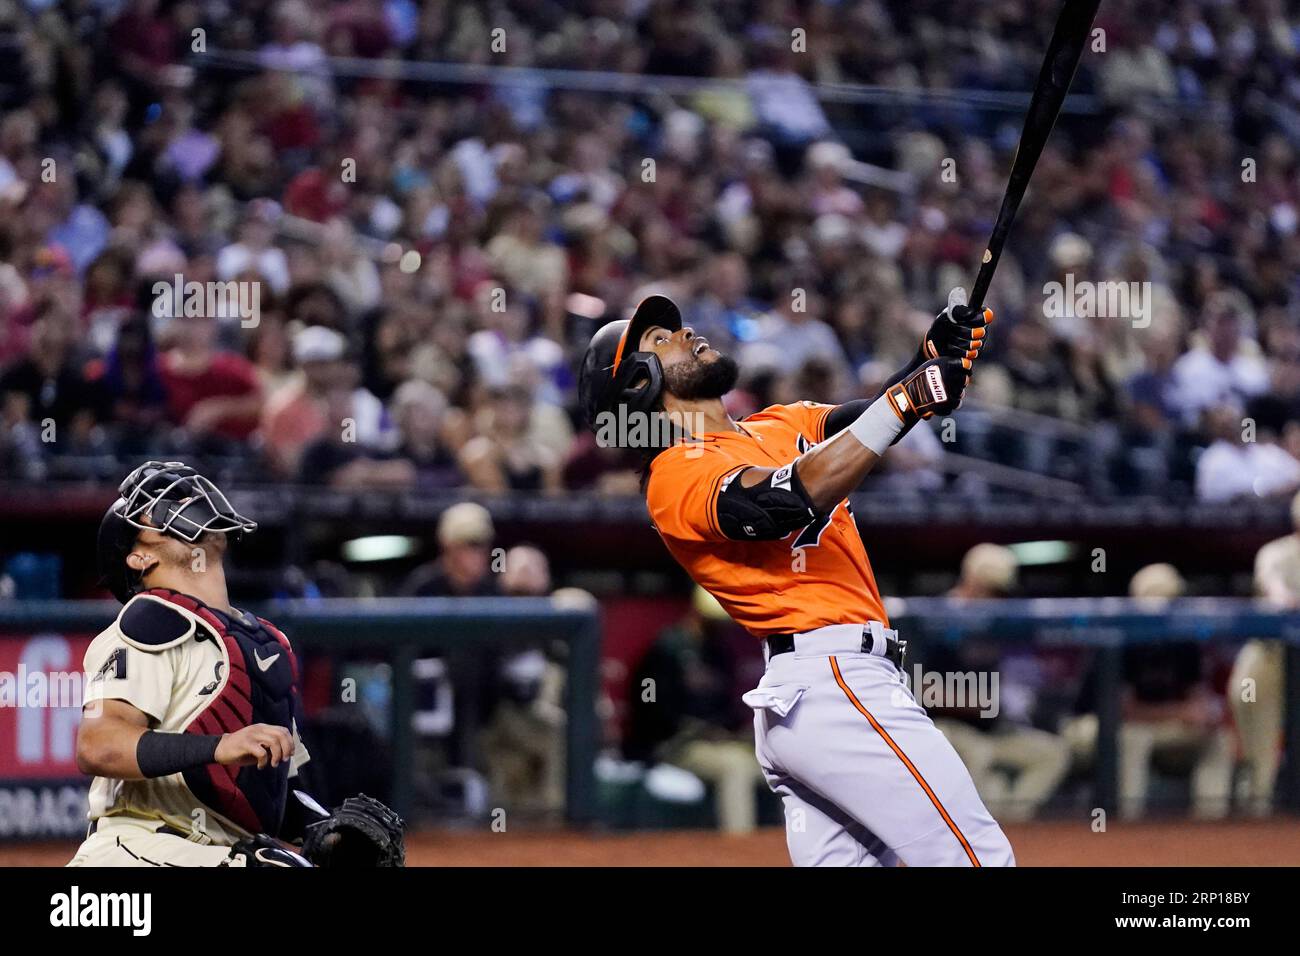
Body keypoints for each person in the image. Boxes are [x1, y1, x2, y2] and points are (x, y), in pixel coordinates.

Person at [577, 291, 1012, 866]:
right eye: (660, 340)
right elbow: (781, 500)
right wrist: (910, 397)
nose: (686, 334)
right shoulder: (673, 474)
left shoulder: (778, 423)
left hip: (819, 696)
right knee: (975, 857)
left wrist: (930, 361)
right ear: (638, 384)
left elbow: (875, 416)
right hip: (832, 681)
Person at [69, 461, 403, 866]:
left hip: (219, 850)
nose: (183, 504)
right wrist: (220, 746)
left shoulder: (263, 641)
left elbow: (275, 785)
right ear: (139, 558)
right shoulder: (150, 619)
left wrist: (325, 831)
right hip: (137, 846)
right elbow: (98, 745)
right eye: (150, 514)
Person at [925, 545, 1070, 823]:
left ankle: (1013, 825)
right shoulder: (936, 617)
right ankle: (981, 835)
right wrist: (977, 703)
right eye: (994, 592)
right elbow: (923, 690)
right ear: (975, 583)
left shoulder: (995, 623)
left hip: (994, 731)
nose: (1000, 600)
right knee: (982, 764)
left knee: (1052, 753)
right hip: (948, 731)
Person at [625, 586, 767, 834]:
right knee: (735, 768)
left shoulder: (718, 652)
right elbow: (648, 702)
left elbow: (726, 708)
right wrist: (688, 730)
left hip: (718, 743)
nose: (719, 628)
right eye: (713, 622)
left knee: (777, 763)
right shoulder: (665, 649)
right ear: (697, 614)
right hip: (676, 744)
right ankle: (741, 849)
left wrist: (728, 731)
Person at [1229, 489, 1298, 814]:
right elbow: (1276, 593)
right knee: (1260, 751)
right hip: (1270, 657)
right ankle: (1254, 826)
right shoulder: (1277, 552)